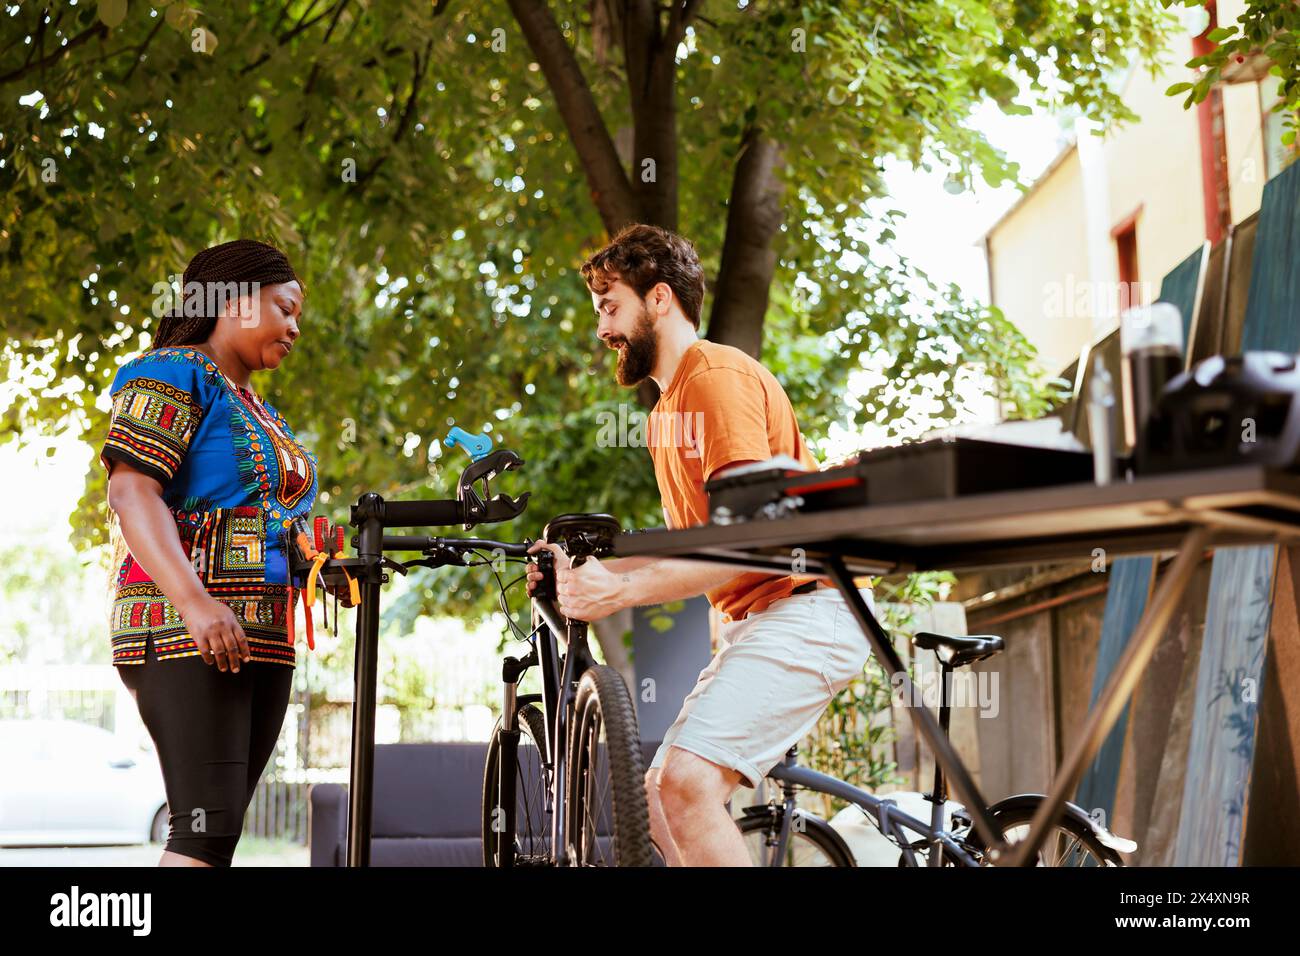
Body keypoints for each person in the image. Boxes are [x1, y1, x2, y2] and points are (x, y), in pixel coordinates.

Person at [526, 223, 877, 866]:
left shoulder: (714, 379)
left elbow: (746, 542)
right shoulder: (667, 410)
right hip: (764, 618)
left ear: (659, 299)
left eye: (611, 307)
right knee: (659, 798)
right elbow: (694, 540)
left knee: (685, 786)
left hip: (809, 606)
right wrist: (582, 565)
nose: (602, 329)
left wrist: (622, 590)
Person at [100, 238, 321, 867]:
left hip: (260, 637)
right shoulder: (171, 372)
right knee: (202, 833)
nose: (295, 327)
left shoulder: (260, 409)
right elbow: (132, 491)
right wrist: (196, 602)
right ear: (237, 301)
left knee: (217, 836)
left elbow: (266, 520)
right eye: (285, 308)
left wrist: (316, 566)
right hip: (183, 628)